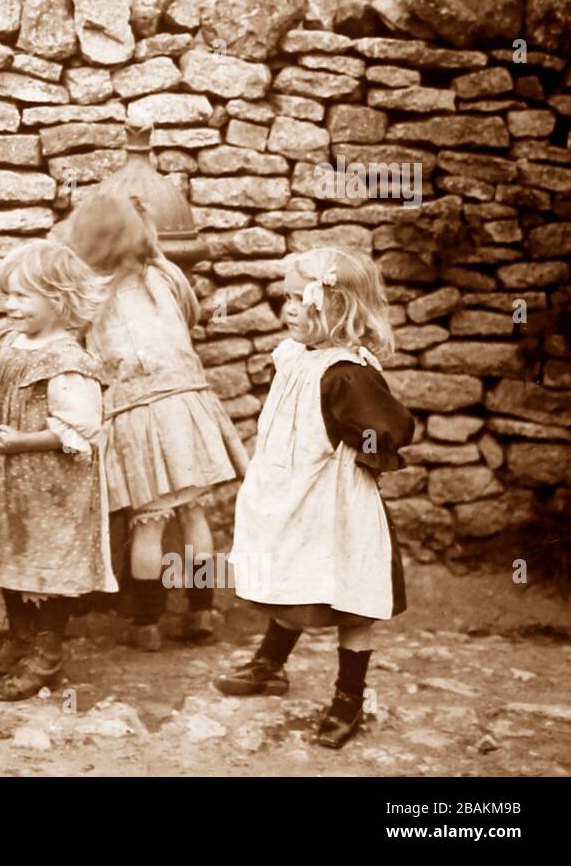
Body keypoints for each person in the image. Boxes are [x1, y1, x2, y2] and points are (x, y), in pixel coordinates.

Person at [216, 247, 414, 749]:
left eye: (300, 299)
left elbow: (389, 427)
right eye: (285, 297)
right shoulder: (296, 358)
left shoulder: (347, 374)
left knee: (351, 601)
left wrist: (363, 450)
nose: (288, 309)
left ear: (339, 306)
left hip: (333, 507)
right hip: (294, 496)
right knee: (292, 579)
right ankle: (270, 666)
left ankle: (348, 699)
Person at [66, 190, 248, 649]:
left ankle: (146, 623)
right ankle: (201, 610)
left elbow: (83, 356)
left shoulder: (87, 295)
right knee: (193, 515)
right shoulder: (166, 275)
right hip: (186, 403)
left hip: (133, 414)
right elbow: (191, 317)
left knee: (148, 524)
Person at [0, 241, 115, 700]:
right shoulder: (8, 345)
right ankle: (20, 642)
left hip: (51, 487)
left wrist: (25, 441)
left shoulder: (68, 362)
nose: (9, 305)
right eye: (7, 295)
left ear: (58, 299)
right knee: (11, 556)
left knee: (46, 564)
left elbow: (81, 429)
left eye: (22, 296)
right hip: (8, 482)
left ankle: (47, 655)